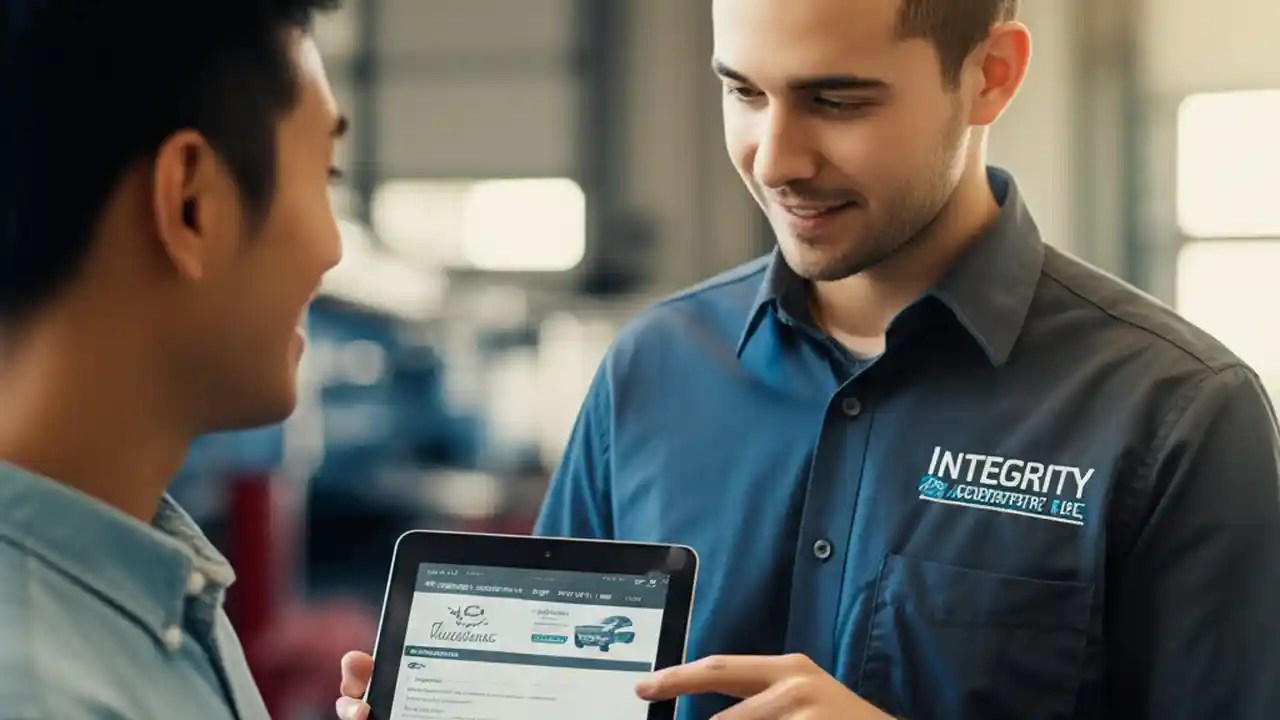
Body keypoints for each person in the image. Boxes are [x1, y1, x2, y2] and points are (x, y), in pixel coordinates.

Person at [337, 0, 1280, 718]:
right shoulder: (650, 373)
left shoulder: (1177, 418)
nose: (774, 159)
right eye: (743, 92)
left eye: (836, 100)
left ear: (990, 76)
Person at [0, 0, 344, 717]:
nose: (333, 251)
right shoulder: (44, 692)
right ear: (192, 201)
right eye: (326, 173)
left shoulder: (148, 589)